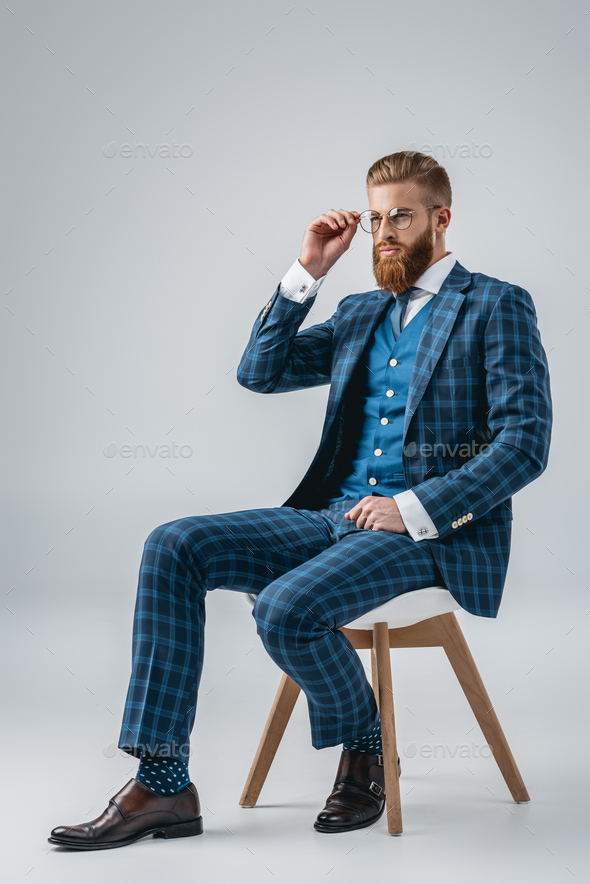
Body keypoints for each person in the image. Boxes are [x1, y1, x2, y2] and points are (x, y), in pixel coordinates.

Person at [48, 151, 552, 849]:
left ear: (441, 219)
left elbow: (524, 444)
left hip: (433, 535)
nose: (383, 233)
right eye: (375, 218)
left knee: (287, 608)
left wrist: (414, 508)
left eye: (400, 216)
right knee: (175, 544)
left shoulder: (496, 304)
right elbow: (261, 373)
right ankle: (164, 785)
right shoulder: (360, 310)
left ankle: (365, 742)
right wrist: (307, 271)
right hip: (330, 517)